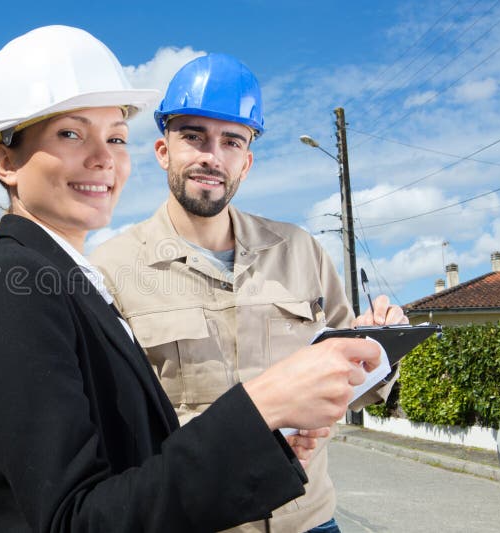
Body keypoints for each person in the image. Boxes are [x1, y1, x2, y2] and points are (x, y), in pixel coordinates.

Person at [0, 26, 384, 533]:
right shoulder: (12, 286)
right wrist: (262, 408)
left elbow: (133, 460)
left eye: (114, 137)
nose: (103, 157)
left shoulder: (71, 281)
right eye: (71, 132)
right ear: (4, 161)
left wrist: (269, 435)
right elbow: (74, 517)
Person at [90, 53, 408, 533]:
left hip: (310, 520)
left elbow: (348, 379)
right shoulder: (110, 271)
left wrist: (378, 347)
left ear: (247, 161)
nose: (211, 156)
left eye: (231, 141)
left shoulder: (302, 251)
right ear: (162, 150)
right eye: (193, 135)